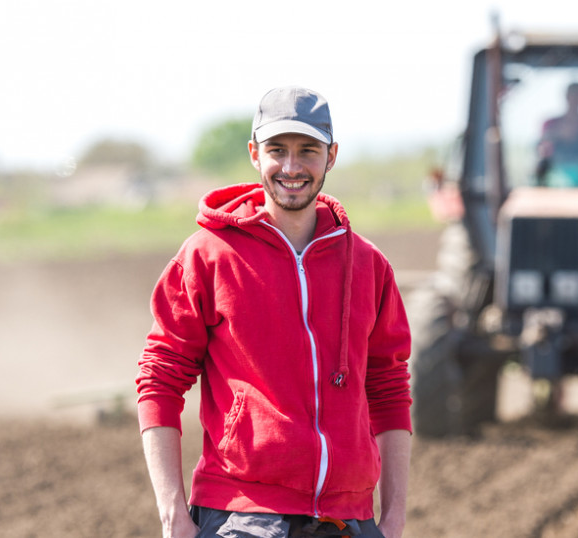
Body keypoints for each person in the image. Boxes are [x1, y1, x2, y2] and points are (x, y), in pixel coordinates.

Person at [136, 86, 412, 538]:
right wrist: (172, 514)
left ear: (331, 156)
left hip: (348, 518)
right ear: (254, 154)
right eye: (277, 150)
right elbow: (160, 379)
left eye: (308, 150)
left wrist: (394, 517)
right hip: (241, 515)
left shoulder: (368, 265)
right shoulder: (208, 256)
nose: (292, 167)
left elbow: (389, 388)